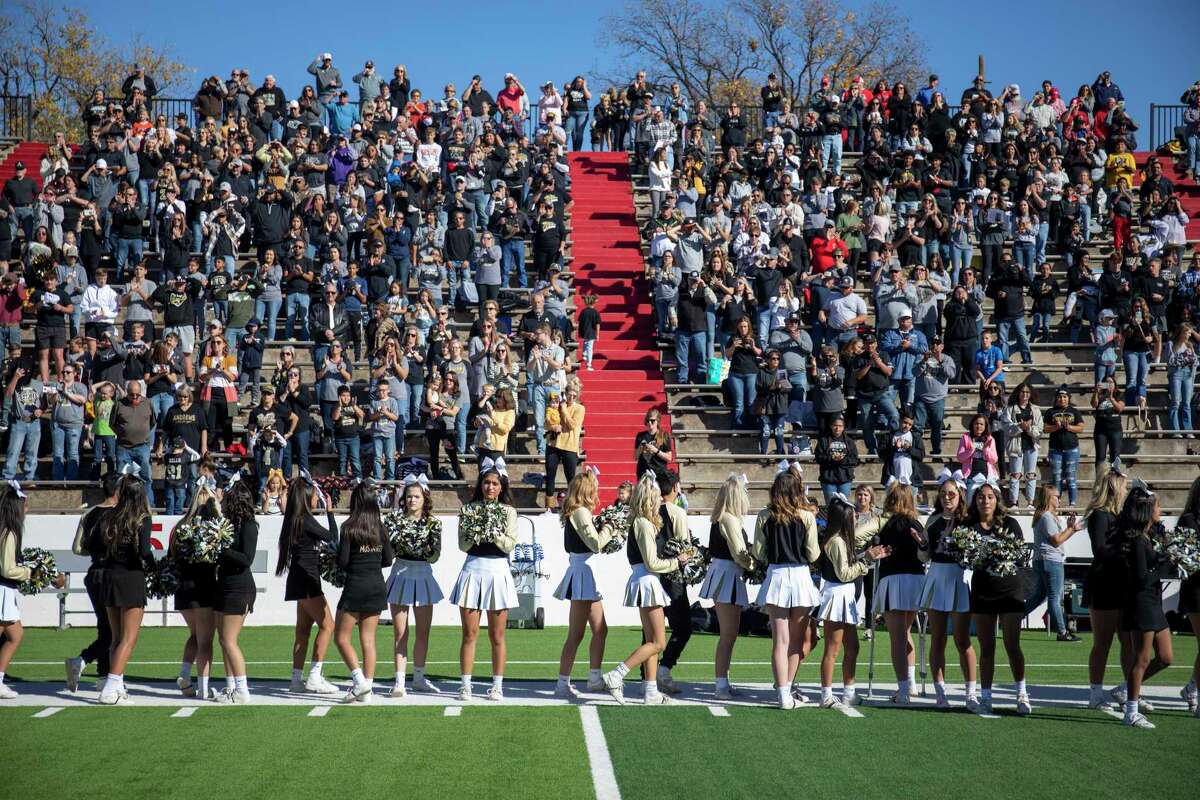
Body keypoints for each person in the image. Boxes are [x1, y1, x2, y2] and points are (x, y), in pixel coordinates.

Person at [600, 474, 689, 706]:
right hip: (648, 580)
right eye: (656, 496)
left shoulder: (642, 521)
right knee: (658, 642)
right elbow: (652, 562)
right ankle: (617, 674)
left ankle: (651, 691)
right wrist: (677, 562)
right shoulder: (642, 522)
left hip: (647, 581)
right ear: (649, 497)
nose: (660, 500)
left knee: (650, 640)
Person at [751, 470, 820, 709]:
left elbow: (758, 553)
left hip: (777, 576)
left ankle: (783, 694)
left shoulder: (764, 515)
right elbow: (813, 554)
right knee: (796, 640)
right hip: (800, 576)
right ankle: (787, 691)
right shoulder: (806, 516)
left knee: (780, 641)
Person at [450, 464, 519, 701]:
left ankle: (497, 686)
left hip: (498, 571)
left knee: (497, 635)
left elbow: (510, 545)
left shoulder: (509, 511)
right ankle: (465, 685)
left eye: (495, 483)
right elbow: (462, 545)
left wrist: (493, 531)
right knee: (469, 634)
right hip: (473, 570)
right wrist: (478, 528)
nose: (490, 487)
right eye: (487, 482)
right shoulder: (468, 509)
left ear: (502, 487)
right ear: (481, 485)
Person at [817, 493, 890, 709]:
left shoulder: (843, 540)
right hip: (837, 594)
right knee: (832, 649)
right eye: (852, 518)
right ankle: (826, 695)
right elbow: (844, 573)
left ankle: (849, 692)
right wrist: (866, 561)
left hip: (845, 595)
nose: (855, 520)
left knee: (853, 646)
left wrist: (867, 555)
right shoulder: (836, 542)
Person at [858, 482, 926, 704]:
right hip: (916, 580)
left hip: (894, 581)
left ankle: (904, 690)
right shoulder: (917, 523)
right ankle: (912, 685)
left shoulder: (886, 524)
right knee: (907, 634)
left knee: (897, 639)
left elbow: (858, 534)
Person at [968, 480, 1031, 715]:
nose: (985, 501)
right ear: (975, 501)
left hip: (1009, 590)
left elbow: (1017, 553)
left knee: (1012, 645)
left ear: (997, 499)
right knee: (987, 647)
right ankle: (986, 696)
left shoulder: (1010, 523)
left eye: (990, 497)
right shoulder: (970, 527)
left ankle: (1022, 694)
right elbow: (964, 556)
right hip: (983, 591)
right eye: (981, 497)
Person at [918, 475, 979, 709]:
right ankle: (940, 692)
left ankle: (970, 693)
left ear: (960, 495)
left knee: (963, 640)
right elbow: (924, 556)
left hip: (959, 577)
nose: (946, 498)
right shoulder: (932, 520)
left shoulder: (968, 520)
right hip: (937, 577)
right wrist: (922, 546)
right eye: (943, 494)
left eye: (951, 494)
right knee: (938, 639)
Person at [0, 483, 66, 699]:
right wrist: (32, 572)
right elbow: (8, 568)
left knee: (15, 634)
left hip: (6, 590)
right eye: (24, 505)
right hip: (2, 589)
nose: (27, 509)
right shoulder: (8, 532)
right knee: (13, 635)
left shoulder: (8, 530)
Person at [1117, 486, 1174, 729]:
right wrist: (1166, 565)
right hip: (1141, 604)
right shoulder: (1138, 541)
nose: (1160, 510)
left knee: (1165, 658)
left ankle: (1125, 689)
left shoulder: (1148, 536)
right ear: (1148, 511)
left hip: (1152, 603)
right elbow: (1141, 577)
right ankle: (1131, 711)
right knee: (1142, 659)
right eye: (1157, 506)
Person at [552, 469, 613, 699]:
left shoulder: (579, 512)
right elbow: (596, 543)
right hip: (583, 574)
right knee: (576, 634)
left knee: (600, 629)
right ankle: (562, 683)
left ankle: (594, 677)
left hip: (586, 573)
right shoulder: (580, 513)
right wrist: (610, 528)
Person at [277, 477, 340, 695]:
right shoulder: (304, 518)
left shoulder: (295, 518)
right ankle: (314, 676)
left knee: (302, 631)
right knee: (328, 625)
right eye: (315, 495)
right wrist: (330, 511)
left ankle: (296, 680)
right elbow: (333, 538)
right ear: (306, 497)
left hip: (299, 577)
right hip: (306, 579)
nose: (317, 498)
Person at [333, 483, 394, 704]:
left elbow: (343, 561)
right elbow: (388, 559)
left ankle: (359, 682)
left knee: (341, 638)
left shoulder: (348, 527)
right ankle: (366, 689)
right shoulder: (380, 527)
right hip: (377, 586)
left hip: (356, 586)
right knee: (368, 640)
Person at [386, 475, 444, 698]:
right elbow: (389, 551)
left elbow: (434, 555)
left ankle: (418, 677)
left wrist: (418, 549)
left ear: (424, 498)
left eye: (416, 496)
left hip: (423, 576)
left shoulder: (433, 523)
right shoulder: (393, 521)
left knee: (423, 631)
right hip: (400, 574)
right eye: (409, 496)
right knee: (400, 632)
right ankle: (400, 681)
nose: (412, 500)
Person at [97, 475, 153, 704]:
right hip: (131, 578)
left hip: (110, 576)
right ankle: (110, 688)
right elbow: (145, 552)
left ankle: (117, 686)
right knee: (128, 639)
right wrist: (156, 568)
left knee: (116, 638)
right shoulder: (142, 518)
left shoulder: (109, 514)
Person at [1084, 470, 1136, 711]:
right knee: (1102, 642)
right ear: (1114, 487)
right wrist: (1126, 553)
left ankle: (1130, 691)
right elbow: (1100, 550)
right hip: (1103, 583)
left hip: (1122, 583)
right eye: (1123, 486)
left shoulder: (1121, 516)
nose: (1125, 490)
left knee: (1129, 641)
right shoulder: (1099, 515)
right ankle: (1096, 694)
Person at [699, 475, 755, 699]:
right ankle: (721, 685)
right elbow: (740, 553)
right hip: (727, 575)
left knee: (729, 634)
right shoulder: (729, 519)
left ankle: (724, 682)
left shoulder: (723, 518)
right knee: (728, 634)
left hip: (727, 574)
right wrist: (756, 565)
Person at [64, 472, 119, 691]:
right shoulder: (119, 514)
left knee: (105, 628)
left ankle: (104, 675)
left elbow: (78, 549)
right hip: (112, 575)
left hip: (94, 573)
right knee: (115, 631)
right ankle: (83, 660)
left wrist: (95, 551)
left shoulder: (89, 513)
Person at [170, 485, 222, 701]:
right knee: (206, 640)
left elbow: (172, 554)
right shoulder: (212, 526)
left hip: (182, 587)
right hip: (203, 587)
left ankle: (184, 674)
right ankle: (203, 687)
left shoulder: (180, 525)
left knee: (195, 634)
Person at [213, 475, 257, 704]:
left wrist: (223, 548)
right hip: (225, 583)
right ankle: (230, 686)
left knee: (230, 640)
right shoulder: (226, 524)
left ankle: (242, 689)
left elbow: (247, 558)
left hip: (239, 587)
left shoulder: (249, 525)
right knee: (223, 639)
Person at [1026, 485, 1084, 642]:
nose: (1059, 499)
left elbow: (1057, 539)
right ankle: (1062, 631)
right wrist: (1071, 529)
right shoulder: (1046, 517)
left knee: (1039, 596)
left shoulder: (1044, 516)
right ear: (1048, 498)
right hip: (1050, 560)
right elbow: (1057, 540)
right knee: (1054, 597)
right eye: (1056, 496)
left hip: (1044, 560)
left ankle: (1013, 617)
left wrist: (1071, 529)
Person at [1172, 476, 1200, 717]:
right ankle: (1193, 691)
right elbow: (1185, 559)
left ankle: (1192, 687)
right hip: (1196, 590)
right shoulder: (1188, 520)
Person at [545, 378, 585, 510]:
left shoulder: (580, 408)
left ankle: (571, 507)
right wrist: (553, 427)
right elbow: (547, 422)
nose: (571, 397)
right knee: (550, 475)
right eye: (570, 394)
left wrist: (564, 409)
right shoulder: (556, 403)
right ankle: (548, 506)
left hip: (570, 446)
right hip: (553, 444)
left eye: (575, 395)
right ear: (566, 392)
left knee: (571, 479)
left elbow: (573, 425)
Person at [1001, 384, 1043, 508]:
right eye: (1022, 392)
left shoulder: (1035, 409)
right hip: (1015, 445)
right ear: (1018, 393)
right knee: (1015, 474)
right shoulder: (1010, 409)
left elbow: (1039, 429)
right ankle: (1014, 502)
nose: (1025, 394)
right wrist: (1020, 427)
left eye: (1027, 392)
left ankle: (1030, 502)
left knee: (1031, 474)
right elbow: (1006, 427)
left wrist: (1028, 428)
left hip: (1031, 445)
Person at [1045, 387, 1085, 506]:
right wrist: (1055, 427)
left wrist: (1069, 428)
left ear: (1068, 398)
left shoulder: (1074, 411)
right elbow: (1045, 428)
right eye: (1060, 397)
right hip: (1055, 449)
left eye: (1064, 397)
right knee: (1056, 478)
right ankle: (1056, 503)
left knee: (1071, 479)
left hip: (1071, 449)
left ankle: (1072, 505)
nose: (1062, 399)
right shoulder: (1050, 412)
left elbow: (1081, 427)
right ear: (1056, 398)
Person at [815, 416, 857, 502]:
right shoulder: (823, 441)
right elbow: (818, 458)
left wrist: (842, 459)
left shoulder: (849, 441)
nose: (837, 428)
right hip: (828, 479)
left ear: (843, 427)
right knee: (831, 506)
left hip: (845, 479)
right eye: (835, 425)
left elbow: (855, 460)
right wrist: (832, 458)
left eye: (840, 426)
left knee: (844, 506)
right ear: (830, 426)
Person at [634, 409, 674, 482]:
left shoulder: (664, 435)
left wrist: (655, 450)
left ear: (657, 421)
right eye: (647, 420)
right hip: (643, 473)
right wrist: (641, 448)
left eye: (652, 421)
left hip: (660, 473)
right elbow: (635, 457)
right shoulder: (640, 436)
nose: (649, 423)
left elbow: (669, 458)